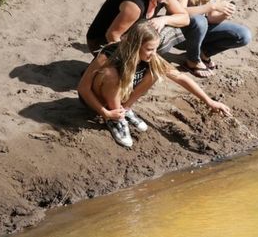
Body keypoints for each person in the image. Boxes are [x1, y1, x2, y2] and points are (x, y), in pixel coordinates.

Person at [78, 20, 230, 148]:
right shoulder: (108, 55)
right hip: (97, 100)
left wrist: (209, 102)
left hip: (120, 94)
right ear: (135, 46)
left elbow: (180, 78)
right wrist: (106, 113)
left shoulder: (151, 58)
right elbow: (83, 89)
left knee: (155, 71)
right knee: (112, 74)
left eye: (155, 48)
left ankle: (125, 109)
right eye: (150, 49)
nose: (153, 53)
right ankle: (115, 119)